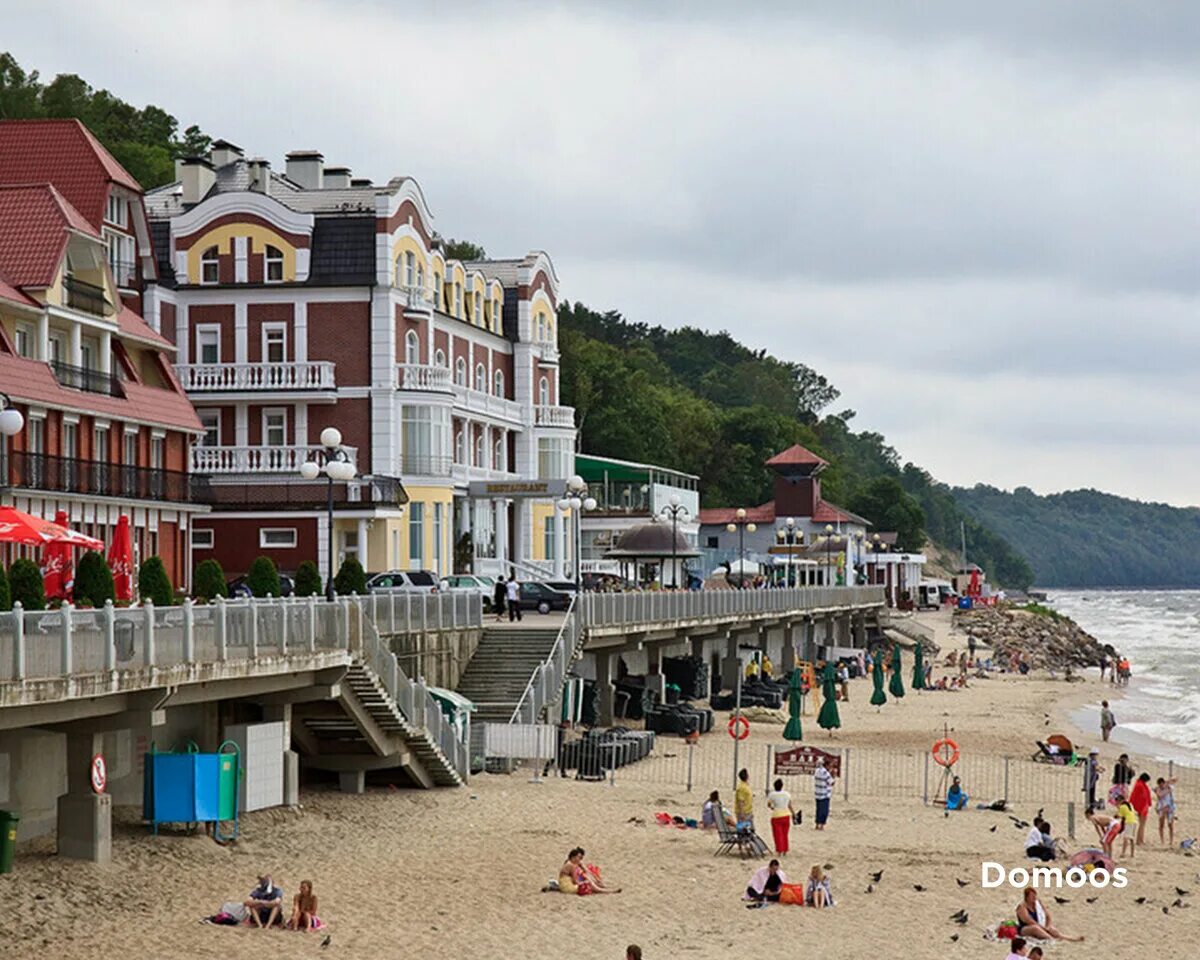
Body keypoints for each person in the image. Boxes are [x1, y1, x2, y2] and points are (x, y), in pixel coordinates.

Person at [1015, 885, 1084, 942]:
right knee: (1035, 928)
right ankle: (1052, 940)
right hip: (1024, 929)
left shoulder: (1037, 903)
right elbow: (1029, 921)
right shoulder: (1022, 907)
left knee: (1052, 929)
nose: (1034, 897)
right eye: (1032, 896)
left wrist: (1048, 926)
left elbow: (1047, 915)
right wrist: (1043, 928)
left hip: (1040, 925)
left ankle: (1071, 939)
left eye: (1035, 895)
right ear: (1027, 897)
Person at [766, 778, 796, 854]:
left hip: (776, 815)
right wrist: (793, 813)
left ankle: (779, 850)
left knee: (777, 834)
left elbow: (769, 804)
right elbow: (789, 805)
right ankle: (785, 849)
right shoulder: (787, 794)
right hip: (786, 815)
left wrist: (772, 807)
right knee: (785, 834)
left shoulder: (772, 794)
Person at [1130, 772, 1153, 846]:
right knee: (1142, 825)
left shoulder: (1138, 784)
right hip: (1142, 807)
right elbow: (1143, 797)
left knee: (1141, 824)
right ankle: (1139, 841)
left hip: (1140, 806)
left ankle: (1140, 840)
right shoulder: (1141, 786)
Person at [813, 756, 834, 830]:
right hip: (824, 794)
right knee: (824, 811)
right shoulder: (826, 773)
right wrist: (832, 774)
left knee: (818, 810)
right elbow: (831, 782)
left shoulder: (817, 770)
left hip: (817, 793)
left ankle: (817, 824)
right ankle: (821, 825)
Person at [1156, 775, 1178, 845]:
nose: (1161, 786)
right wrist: (1166, 789)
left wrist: (1167, 782)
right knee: (1161, 825)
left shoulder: (1169, 787)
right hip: (1162, 808)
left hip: (1170, 808)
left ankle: (1171, 840)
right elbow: (1159, 795)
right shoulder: (1158, 789)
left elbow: (1175, 779)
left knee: (1170, 825)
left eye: (1162, 784)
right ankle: (1162, 840)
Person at [1084, 748, 1103, 813]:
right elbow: (1096, 767)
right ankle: (1091, 802)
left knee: (1089, 789)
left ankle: (1090, 801)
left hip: (1089, 777)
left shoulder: (1088, 760)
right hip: (1092, 778)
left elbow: (1097, 766)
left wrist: (1101, 768)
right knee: (1092, 790)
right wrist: (1101, 770)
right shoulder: (1093, 761)